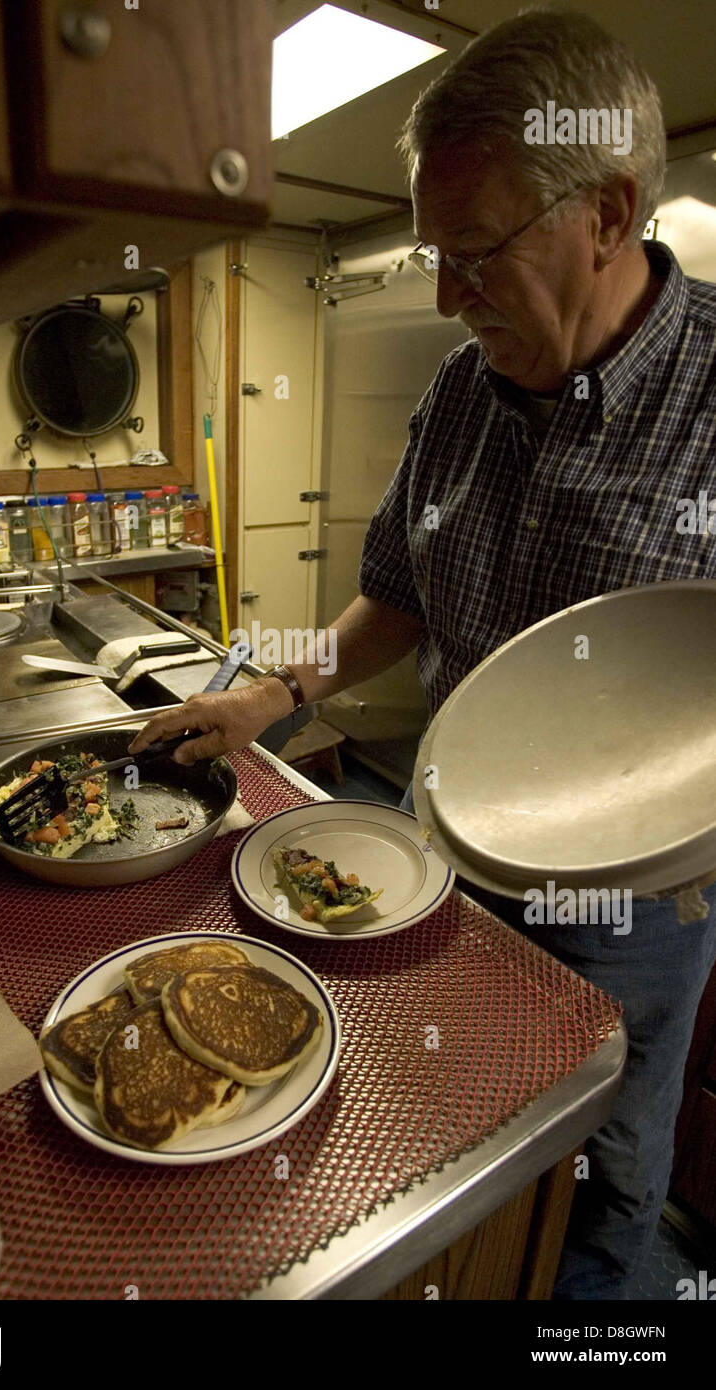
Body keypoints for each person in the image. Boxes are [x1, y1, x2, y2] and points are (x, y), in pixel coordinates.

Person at [130, 10, 716, 1299]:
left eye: (475, 253)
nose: (449, 297)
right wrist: (270, 693)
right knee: (447, 1131)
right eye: (431, 254)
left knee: (607, 1171)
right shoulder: (461, 387)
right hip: (442, 843)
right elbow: (395, 596)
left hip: (629, 909)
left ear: (608, 214)